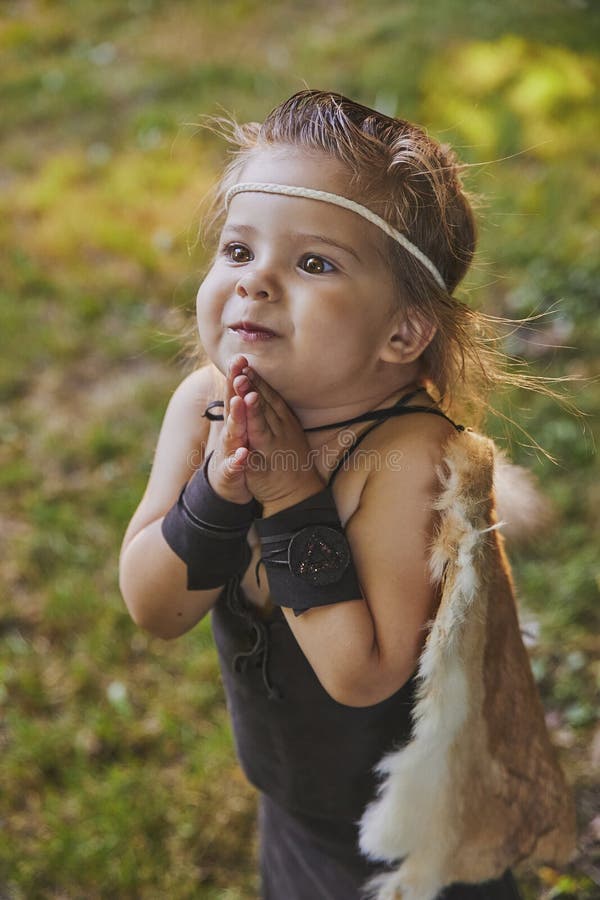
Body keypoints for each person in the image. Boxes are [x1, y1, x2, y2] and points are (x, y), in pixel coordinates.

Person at [119, 91, 575, 900]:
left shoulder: (410, 456)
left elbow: (361, 675)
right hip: (293, 804)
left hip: (413, 840)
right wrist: (218, 494)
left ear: (403, 334)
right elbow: (155, 610)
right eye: (236, 250)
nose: (254, 281)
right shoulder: (205, 405)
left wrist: (291, 490)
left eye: (313, 263)